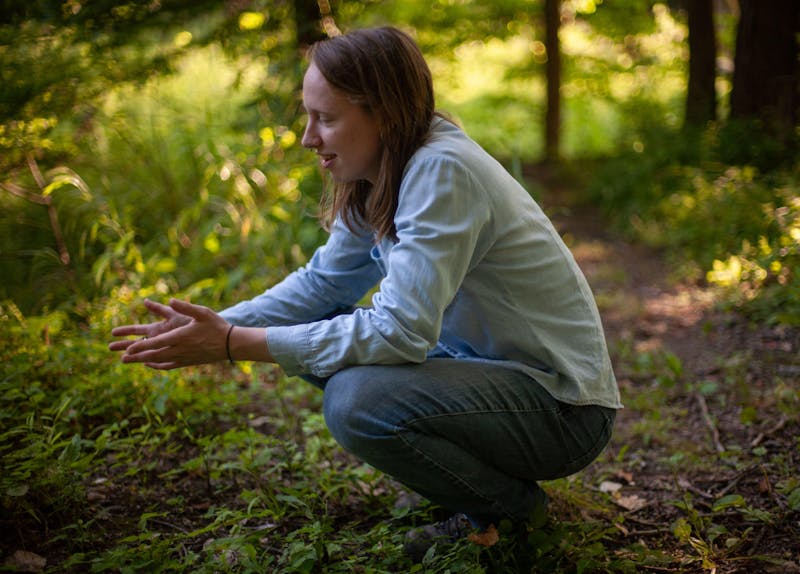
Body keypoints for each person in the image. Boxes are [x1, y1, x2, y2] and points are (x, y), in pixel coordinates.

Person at [109, 26, 621, 560]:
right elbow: (322, 285)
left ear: (384, 113)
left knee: (357, 401)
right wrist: (211, 325)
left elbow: (401, 334)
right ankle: (476, 490)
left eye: (326, 119)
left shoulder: (441, 171)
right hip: (488, 374)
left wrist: (236, 342)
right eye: (309, 116)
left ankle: (510, 512)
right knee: (327, 333)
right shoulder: (381, 171)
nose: (309, 138)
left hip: (563, 408)